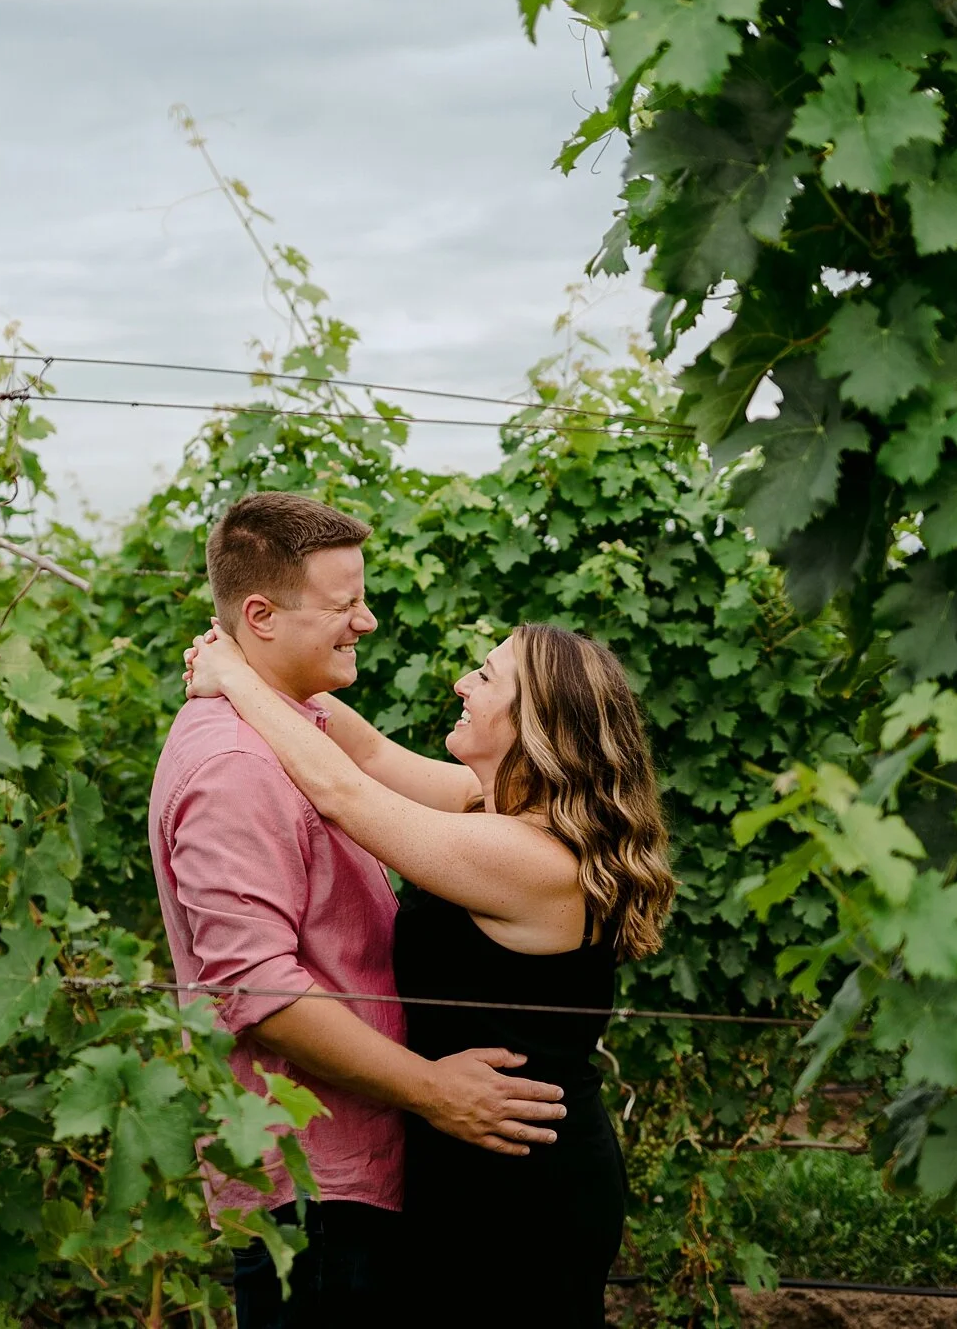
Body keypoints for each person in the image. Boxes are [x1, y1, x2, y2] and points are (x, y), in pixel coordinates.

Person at [148, 492, 571, 1329]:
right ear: (262, 615)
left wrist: (236, 666)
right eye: (345, 606)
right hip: (312, 1183)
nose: (368, 622)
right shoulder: (234, 767)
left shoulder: (294, 733)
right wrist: (430, 1090)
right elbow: (258, 990)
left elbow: (357, 766)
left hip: (367, 1167)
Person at [185, 615, 677, 1328]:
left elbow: (345, 793)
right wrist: (268, 668)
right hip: (480, 1156)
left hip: (520, 1188)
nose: (461, 682)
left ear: (532, 722)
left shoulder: (529, 858)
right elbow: (371, 753)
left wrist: (232, 675)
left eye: (484, 675)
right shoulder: (498, 810)